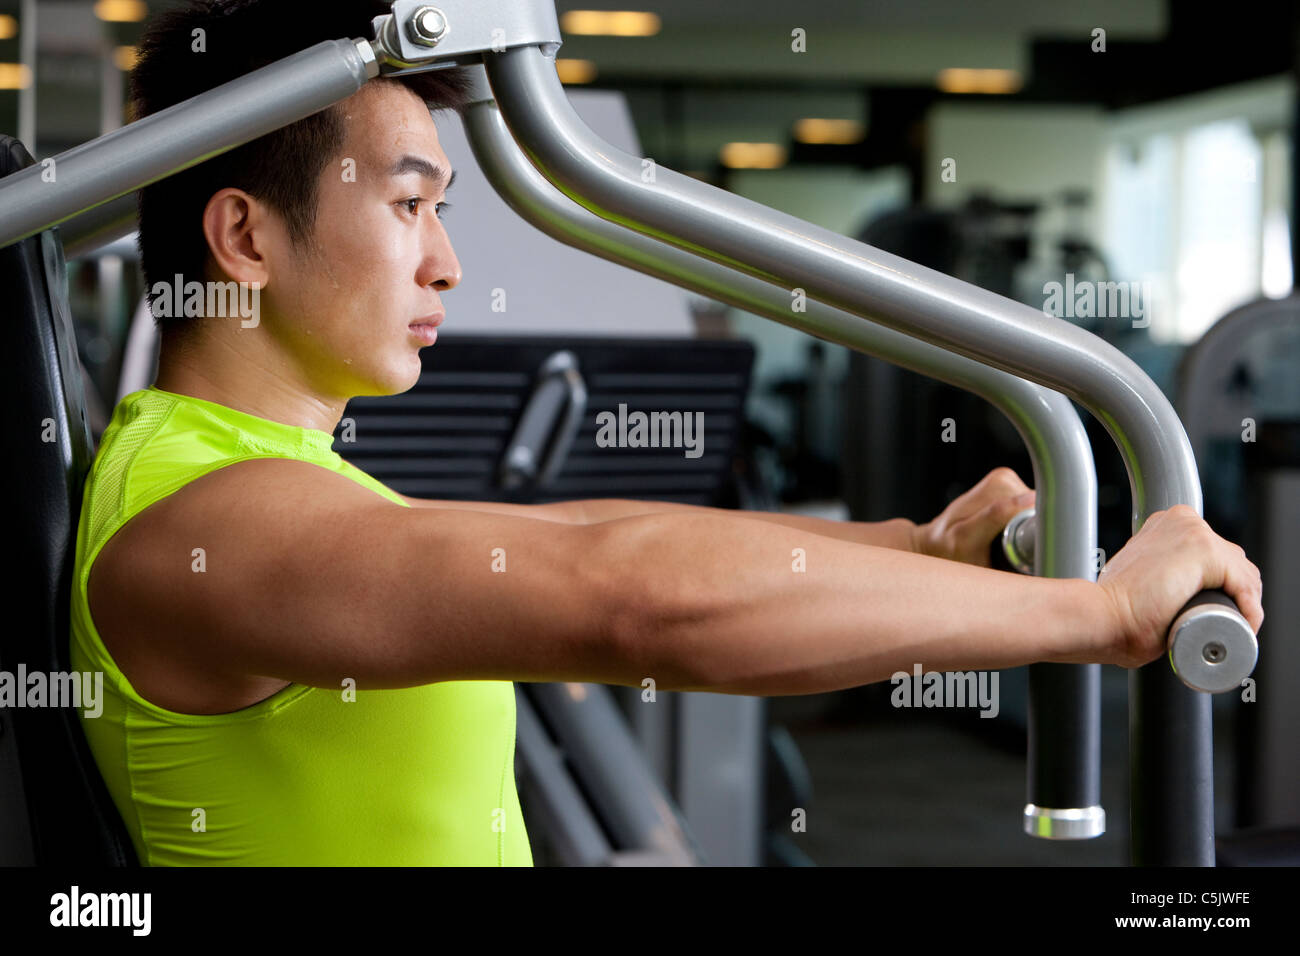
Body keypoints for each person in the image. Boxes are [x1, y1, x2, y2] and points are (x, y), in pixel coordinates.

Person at [71, 0, 1264, 866]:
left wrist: (922, 546)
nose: (446, 259)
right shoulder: (206, 527)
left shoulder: (259, 478)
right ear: (244, 237)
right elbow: (631, 597)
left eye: (442, 209)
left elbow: (586, 531)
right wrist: (1094, 616)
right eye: (405, 206)